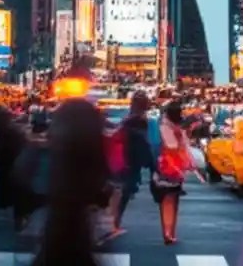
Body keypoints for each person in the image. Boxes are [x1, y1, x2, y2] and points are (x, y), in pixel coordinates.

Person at [33, 98, 107, 266]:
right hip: (78, 223)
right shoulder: (93, 152)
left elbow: (22, 175)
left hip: (55, 221)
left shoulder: (49, 151)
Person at [102, 93, 155, 241]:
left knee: (119, 189)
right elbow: (143, 141)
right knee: (122, 191)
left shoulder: (134, 119)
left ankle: (113, 222)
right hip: (129, 159)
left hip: (125, 157)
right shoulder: (139, 119)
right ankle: (113, 223)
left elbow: (124, 133)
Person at [151, 101, 197, 245]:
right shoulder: (167, 127)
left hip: (169, 168)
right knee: (170, 199)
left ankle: (169, 232)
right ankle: (169, 233)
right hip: (168, 167)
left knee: (170, 199)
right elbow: (173, 146)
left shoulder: (165, 126)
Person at [0, 107, 26, 221]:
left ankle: (4, 209)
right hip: (11, 163)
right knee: (11, 187)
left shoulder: (3, 130)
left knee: (4, 186)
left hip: (6, 163)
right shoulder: (10, 130)